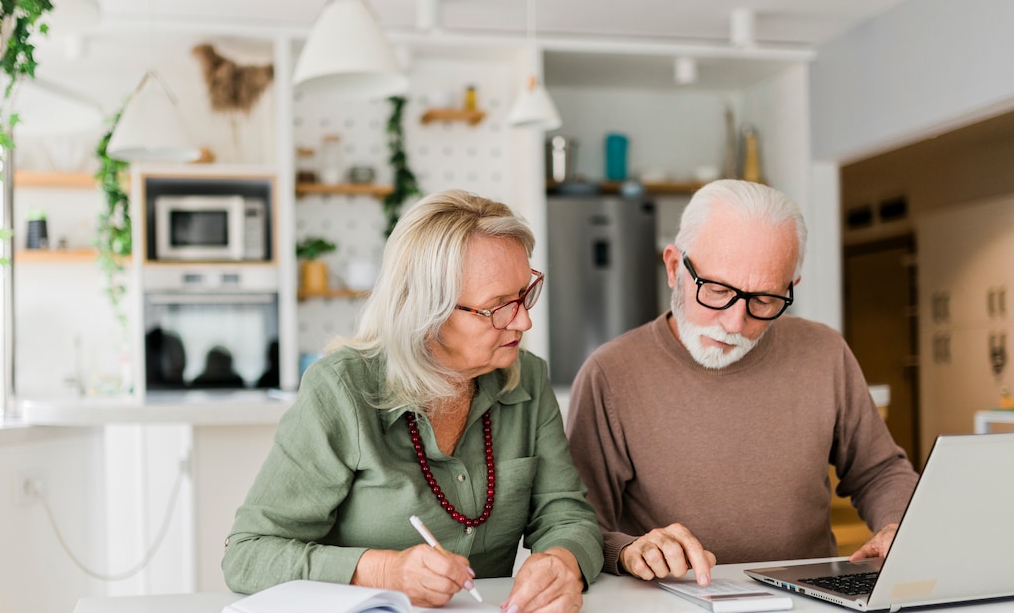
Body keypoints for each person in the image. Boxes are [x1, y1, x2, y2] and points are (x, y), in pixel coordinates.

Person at [224, 189, 603, 612]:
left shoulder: (526, 377)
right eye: (498, 306)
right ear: (427, 312)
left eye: (524, 294)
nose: (524, 320)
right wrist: (384, 571)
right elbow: (248, 554)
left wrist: (559, 562)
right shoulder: (341, 388)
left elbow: (566, 516)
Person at [566, 180, 919, 586]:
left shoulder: (824, 352)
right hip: (674, 599)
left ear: (791, 288)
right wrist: (629, 551)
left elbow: (880, 471)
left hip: (809, 597)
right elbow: (579, 525)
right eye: (716, 290)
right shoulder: (610, 374)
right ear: (674, 267)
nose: (735, 323)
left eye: (764, 300)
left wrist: (898, 526)